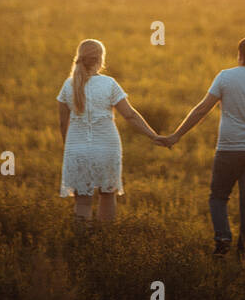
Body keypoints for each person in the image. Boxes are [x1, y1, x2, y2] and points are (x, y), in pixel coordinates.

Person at [157, 34, 245, 256]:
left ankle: (222, 237)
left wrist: (176, 135)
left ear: (240, 55)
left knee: (218, 197)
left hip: (228, 149)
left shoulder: (225, 77)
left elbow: (201, 110)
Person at [56, 38, 166, 230]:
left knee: (82, 201)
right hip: (106, 148)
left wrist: (70, 148)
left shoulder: (68, 85)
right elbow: (130, 115)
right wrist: (153, 135)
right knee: (107, 196)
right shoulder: (109, 84)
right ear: (100, 59)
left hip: (77, 149)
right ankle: (105, 243)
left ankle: (82, 245)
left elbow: (62, 123)